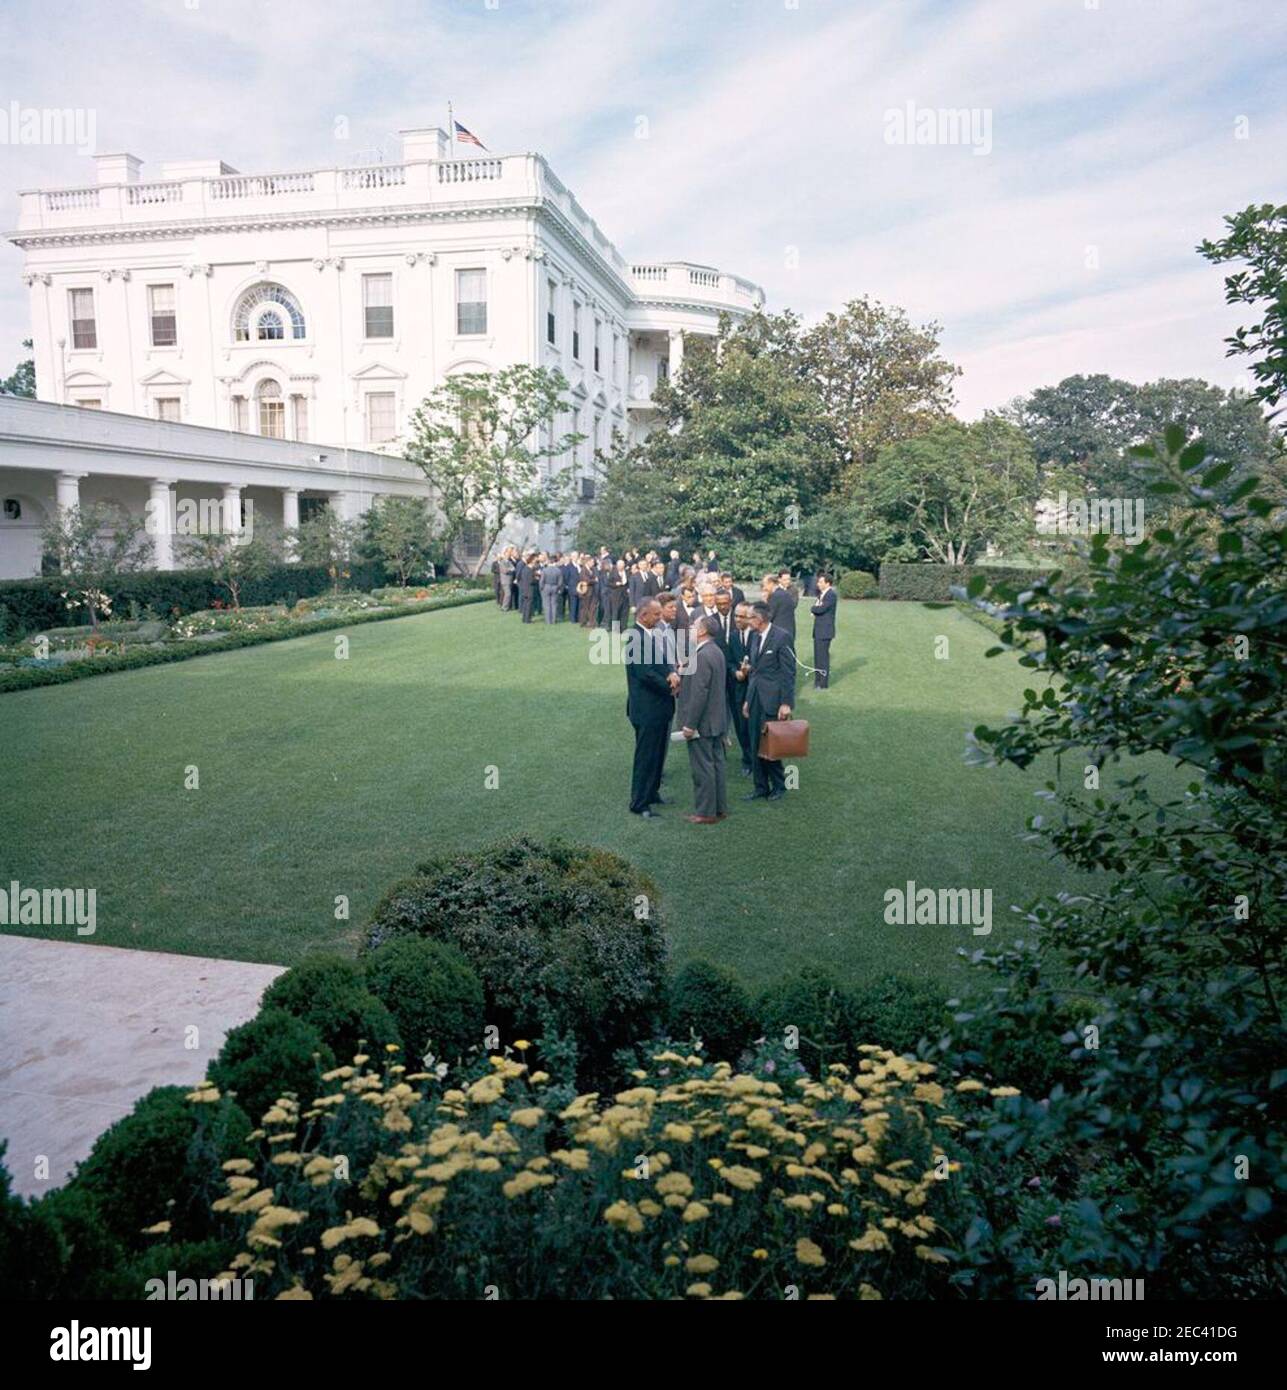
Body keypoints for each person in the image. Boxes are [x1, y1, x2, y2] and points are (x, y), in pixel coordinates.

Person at [625, 598, 679, 819]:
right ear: (643, 615)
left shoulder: (650, 634)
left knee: (657, 755)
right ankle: (639, 803)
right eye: (656, 615)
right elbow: (645, 674)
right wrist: (670, 685)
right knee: (646, 757)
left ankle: (652, 793)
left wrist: (671, 673)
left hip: (659, 708)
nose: (659, 618)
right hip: (647, 709)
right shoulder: (635, 638)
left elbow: (661, 662)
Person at [743, 600, 795, 802]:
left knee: (772, 744)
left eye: (749, 617)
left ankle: (780, 786)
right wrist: (748, 700)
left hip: (773, 701)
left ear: (759, 619)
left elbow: (788, 672)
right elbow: (755, 673)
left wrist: (786, 703)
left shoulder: (782, 637)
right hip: (756, 699)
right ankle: (760, 787)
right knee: (756, 743)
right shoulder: (755, 637)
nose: (747, 621)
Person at [679, 615, 730, 824]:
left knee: (703, 769)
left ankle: (705, 813)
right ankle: (719, 808)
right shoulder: (715, 651)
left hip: (703, 723)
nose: (690, 629)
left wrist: (690, 725)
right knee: (716, 765)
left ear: (701, 632)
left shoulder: (702, 656)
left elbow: (699, 693)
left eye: (693, 627)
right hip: (717, 720)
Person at [810, 572, 838, 689]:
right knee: (817, 657)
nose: (818, 584)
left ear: (827, 583)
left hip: (825, 631)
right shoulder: (821, 594)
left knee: (823, 658)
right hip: (819, 630)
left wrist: (813, 608)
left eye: (821, 582)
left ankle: (823, 683)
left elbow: (821, 609)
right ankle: (817, 681)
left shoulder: (831, 595)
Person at [768, 570, 798, 644]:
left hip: (789, 624)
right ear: (779, 579)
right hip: (777, 624)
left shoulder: (793, 590)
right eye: (785, 580)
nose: (787, 581)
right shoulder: (774, 591)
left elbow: (793, 604)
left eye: (788, 579)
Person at [540, 552, 564, 623]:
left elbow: (542, 581)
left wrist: (541, 588)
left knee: (546, 604)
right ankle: (553, 620)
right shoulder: (558, 570)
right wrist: (558, 587)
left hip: (546, 587)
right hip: (555, 587)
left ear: (549, 561)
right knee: (554, 604)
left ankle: (548, 620)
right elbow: (560, 581)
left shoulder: (544, 570)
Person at [577, 556, 599, 627]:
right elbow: (586, 580)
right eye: (592, 562)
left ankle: (591, 622)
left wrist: (592, 580)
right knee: (585, 607)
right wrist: (594, 580)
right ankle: (583, 621)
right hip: (586, 592)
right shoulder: (583, 570)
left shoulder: (592, 569)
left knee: (592, 607)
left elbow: (592, 579)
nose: (593, 563)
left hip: (592, 591)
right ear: (588, 562)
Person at [498, 547, 516, 611]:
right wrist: (510, 570)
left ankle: (507, 606)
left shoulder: (509, 562)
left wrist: (510, 569)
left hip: (510, 580)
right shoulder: (502, 562)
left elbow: (513, 569)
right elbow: (505, 571)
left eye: (509, 554)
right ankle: (504, 607)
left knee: (508, 594)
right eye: (508, 554)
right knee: (508, 594)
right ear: (505, 554)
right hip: (505, 581)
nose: (509, 555)